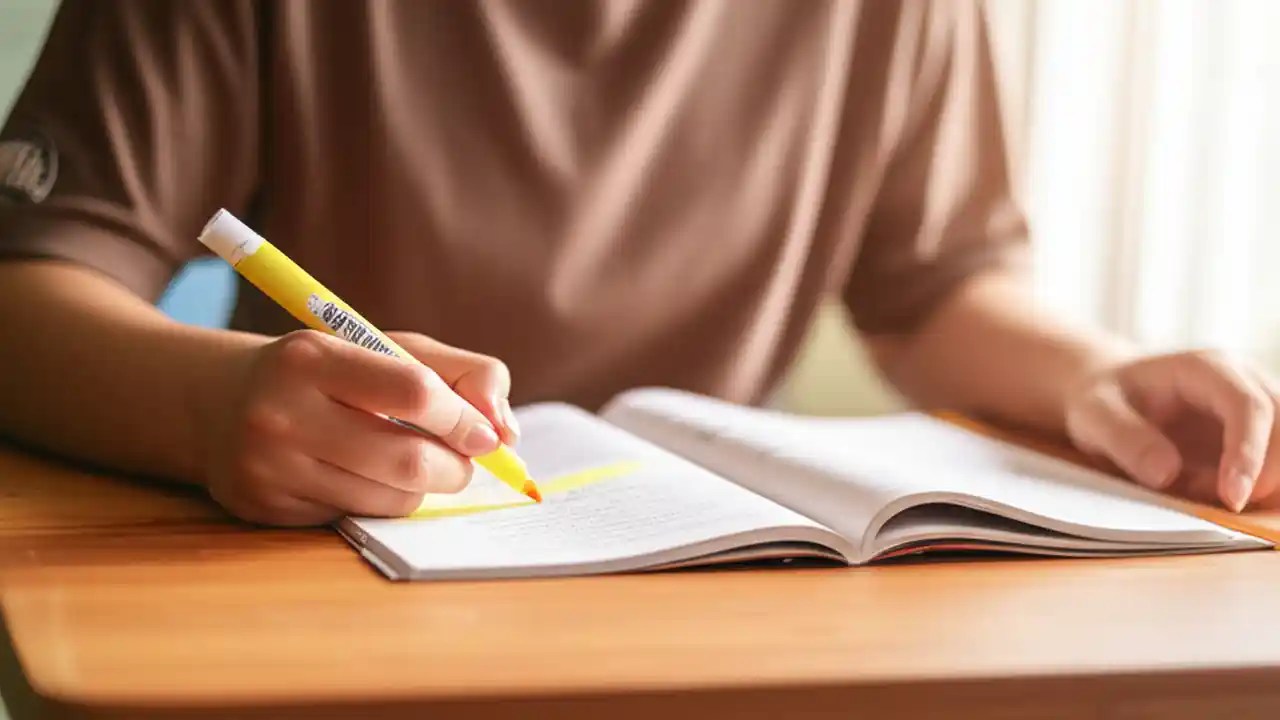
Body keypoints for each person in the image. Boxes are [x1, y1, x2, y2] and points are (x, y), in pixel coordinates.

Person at [0, 0, 1276, 527]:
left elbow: (932, 288)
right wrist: (208, 405)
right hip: (325, 583)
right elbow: (25, 293)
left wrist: (1097, 375)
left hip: (715, 595)